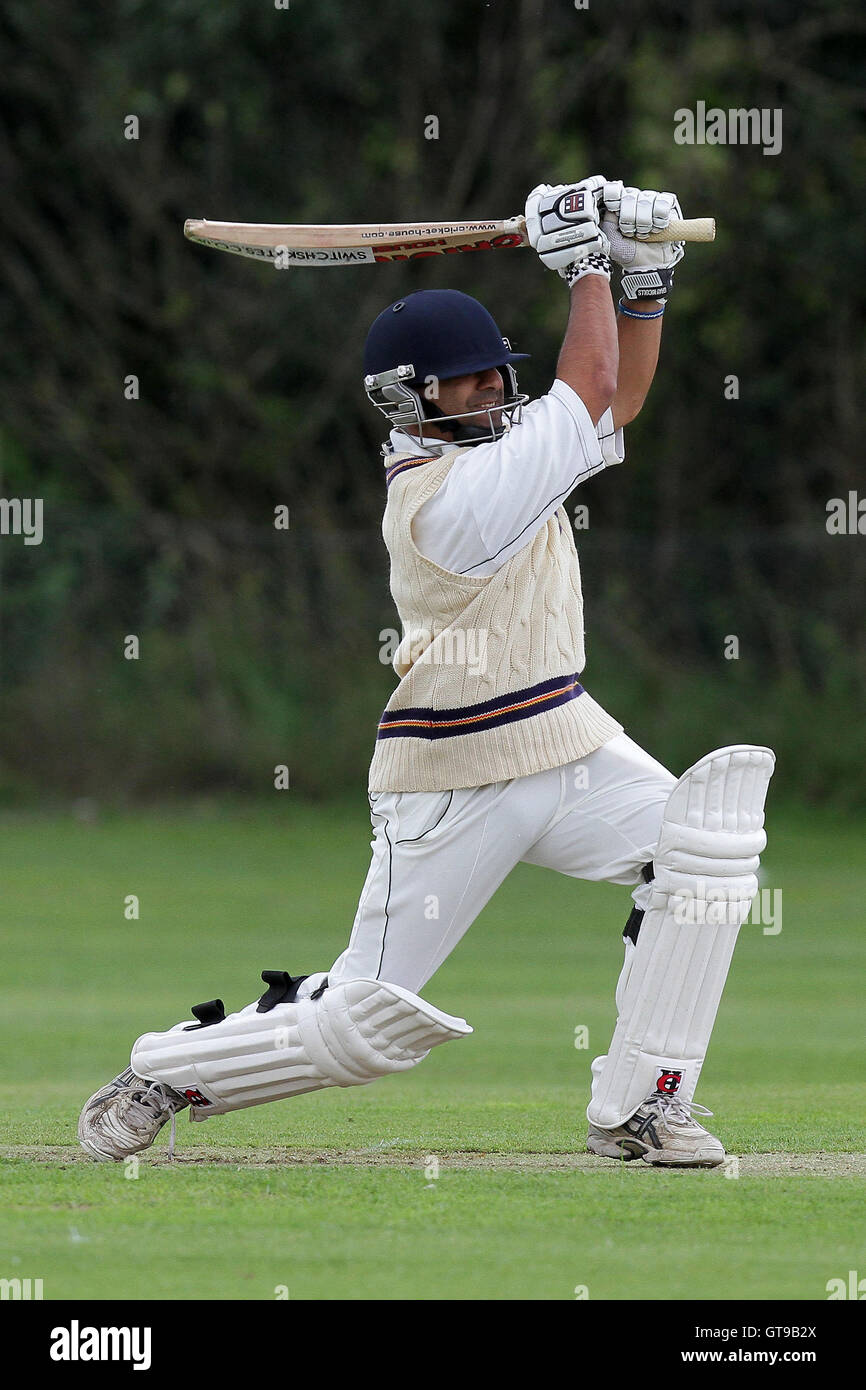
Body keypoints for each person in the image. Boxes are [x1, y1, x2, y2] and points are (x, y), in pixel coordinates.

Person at [79, 177, 773, 1167]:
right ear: (410, 396)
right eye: (473, 382)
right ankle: (165, 1072)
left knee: (702, 852)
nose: (497, 392)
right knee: (364, 1025)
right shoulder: (444, 500)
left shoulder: (507, 448)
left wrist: (643, 281)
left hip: (568, 738)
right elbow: (583, 399)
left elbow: (606, 401)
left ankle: (640, 1105)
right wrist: (584, 263)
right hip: (455, 773)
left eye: (500, 375)